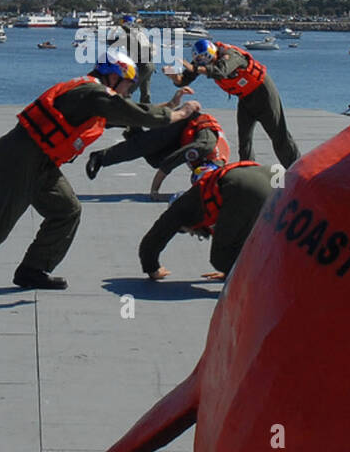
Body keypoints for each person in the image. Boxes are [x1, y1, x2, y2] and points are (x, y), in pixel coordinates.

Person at [0, 50, 202, 300]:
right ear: (113, 76)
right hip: (19, 160)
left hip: (40, 163)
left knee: (67, 210)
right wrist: (181, 113)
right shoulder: (93, 94)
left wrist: (169, 106)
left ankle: (32, 270)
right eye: (128, 85)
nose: (129, 92)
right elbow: (134, 113)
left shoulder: (95, 97)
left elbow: (128, 112)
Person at [171, 39, 300, 167]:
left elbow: (220, 71)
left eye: (207, 61)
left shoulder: (230, 54)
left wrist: (195, 68)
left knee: (278, 135)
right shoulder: (201, 60)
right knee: (244, 139)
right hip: (245, 98)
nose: (204, 64)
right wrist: (173, 76)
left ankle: (296, 168)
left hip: (263, 93)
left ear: (212, 54)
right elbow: (184, 80)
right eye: (200, 61)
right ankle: (248, 171)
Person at [137, 160, 273, 281]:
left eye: (185, 231)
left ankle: (261, 281)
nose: (192, 233)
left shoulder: (181, 207)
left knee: (219, 257)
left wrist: (152, 268)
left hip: (244, 188)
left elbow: (155, 237)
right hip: (272, 176)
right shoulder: (210, 194)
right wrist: (229, 273)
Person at [84, 108, 230, 199]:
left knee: (155, 160)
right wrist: (155, 191)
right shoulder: (201, 148)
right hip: (184, 123)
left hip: (186, 137)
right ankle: (100, 157)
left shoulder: (218, 165)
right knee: (145, 145)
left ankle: (134, 130)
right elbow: (168, 165)